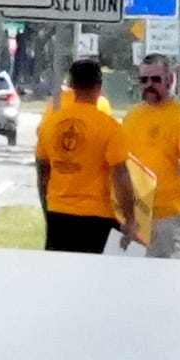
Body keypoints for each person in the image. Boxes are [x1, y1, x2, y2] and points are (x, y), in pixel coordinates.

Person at [34, 57, 135, 251]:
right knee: (94, 277)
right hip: (97, 217)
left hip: (58, 214)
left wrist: (47, 206)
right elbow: (120, 175)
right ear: (99, 86)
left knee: (61, 276)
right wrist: (130, 219)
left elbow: (42, 170)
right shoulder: (110, 127)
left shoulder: (51, 124)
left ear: (71, 85)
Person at [120, 53, 180, 257]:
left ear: (169, 81)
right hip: (136, 212)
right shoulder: (132, 116)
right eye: (144, 80)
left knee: (168, 276)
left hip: (170, 215)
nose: (149, 85)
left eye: (156, 79)